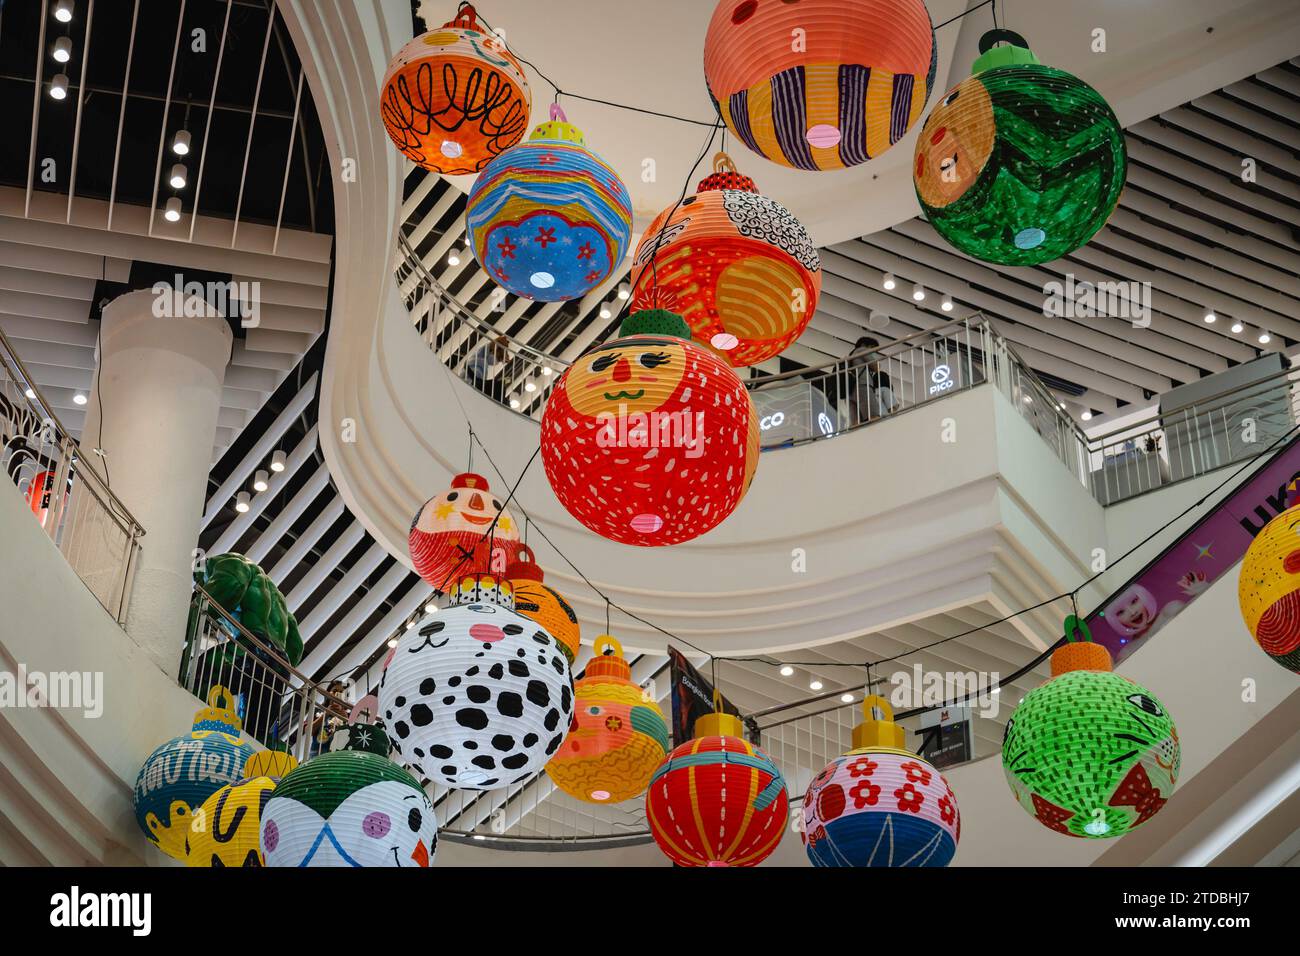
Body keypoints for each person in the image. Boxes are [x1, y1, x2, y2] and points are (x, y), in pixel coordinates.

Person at [845, 336, 896, 424]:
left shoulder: (851, 356)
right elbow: (876, 367)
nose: (873, 352)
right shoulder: (862, 350)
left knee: (856, 421)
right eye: (873, 349)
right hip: (863, 386)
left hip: (850, 391)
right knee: (873, 415)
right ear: (865, 345)